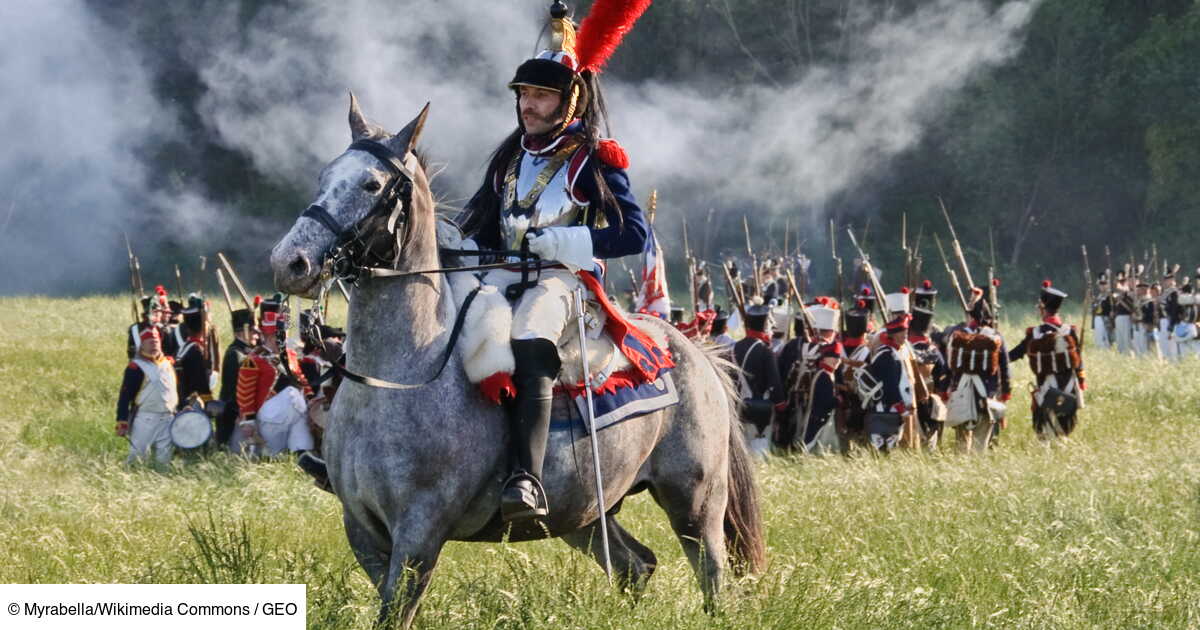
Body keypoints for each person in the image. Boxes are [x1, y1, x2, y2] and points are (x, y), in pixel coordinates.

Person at [453, 0, 658, 522]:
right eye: (524, 94)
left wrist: (566, 243)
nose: (529, 104)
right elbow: (481, 222)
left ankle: (526, 477)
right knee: (444, 323)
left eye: (541, 95)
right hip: (501, 274)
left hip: (564, 281)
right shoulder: (510, 156)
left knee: (528, 335)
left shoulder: (594, 158)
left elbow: (633, 234)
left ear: (569, 102)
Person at [234, 294, 313, 457]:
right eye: (279, 335)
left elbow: (301, 380)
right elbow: (245, 392)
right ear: (269, 336)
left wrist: (312, 399)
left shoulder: (290, 355)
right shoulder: (254, 360)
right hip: (270, 417)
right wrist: (248, 420)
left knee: (304, 452)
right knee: (271, 456)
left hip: (298, 413)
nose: (283, 338)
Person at [1008, 280, 1086, 441]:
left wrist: (1000, 360)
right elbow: (1078, 361)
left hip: (1046, 387)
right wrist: (1081, 380)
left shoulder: (1035, 333)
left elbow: (1016, 353)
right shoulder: (1069, 331)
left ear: (1043, 308)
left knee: (1044, 431)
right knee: (1064, 430)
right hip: (1069, 386)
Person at [944, 286, 1011, 453]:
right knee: (980, 446)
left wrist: (947, 389)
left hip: (961, 394)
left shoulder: (957, 335)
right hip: (986, 396)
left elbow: (949, 366)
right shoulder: (996, 336)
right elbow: (1005, 368)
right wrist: (1005, 394)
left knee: (961, 444)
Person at [115, 327, 178, 467]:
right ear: (142, 344)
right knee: (137, 458)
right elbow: (125, 397)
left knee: (164, 460)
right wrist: (122, 421)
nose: (154, 344)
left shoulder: (168, 364)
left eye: (156, 341)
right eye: (150, 341)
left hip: (168, 418)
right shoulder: (135, 367)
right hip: (146, 418)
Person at [733, 302, 786, 458]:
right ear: (764, 326)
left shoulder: (735, 347)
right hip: (760, 405)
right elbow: (774, 382)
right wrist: (780, 404)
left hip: (738, 403)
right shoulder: (765, 351)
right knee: (758, 446)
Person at [217, 305, 257, 450]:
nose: (256, 335)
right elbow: (234, 391)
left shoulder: (246, 351)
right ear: (243, 331)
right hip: (234, 415)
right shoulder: (235, 354)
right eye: (253, 331)